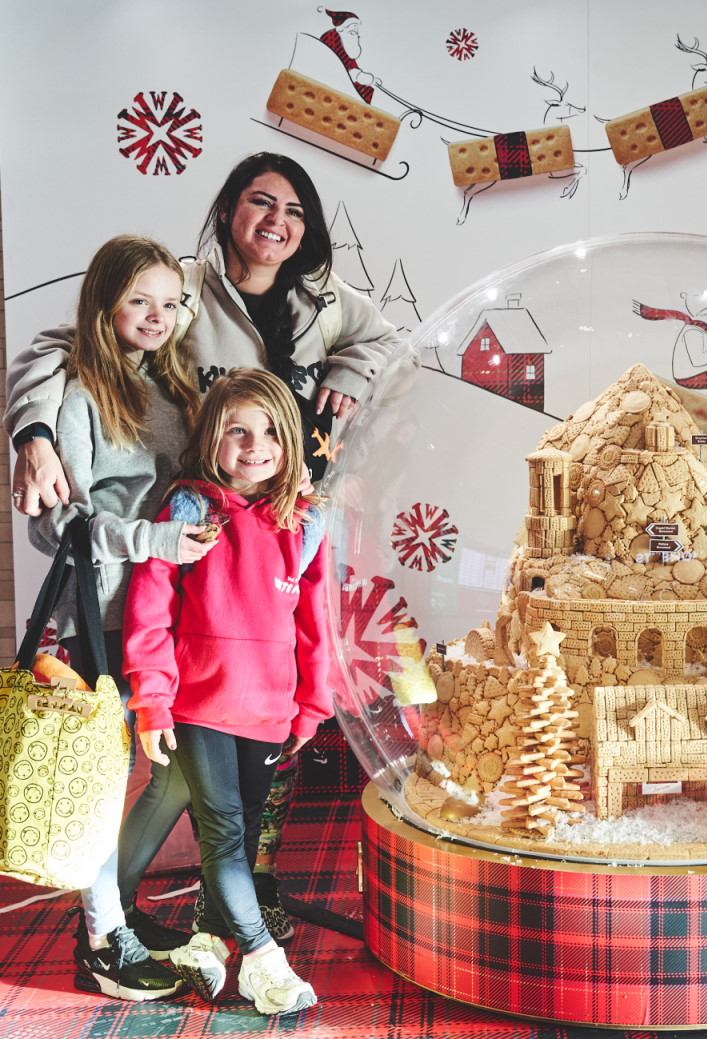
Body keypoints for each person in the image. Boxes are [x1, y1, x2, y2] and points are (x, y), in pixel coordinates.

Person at [8, 151, 407, 939]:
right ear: (227, 209)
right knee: (184, 748)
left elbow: (391, 343)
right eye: (260, 203)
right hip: (198, 527)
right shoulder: (183, 290)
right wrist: (34, 432)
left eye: (294, 211)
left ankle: (241, 882)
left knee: (265, 710)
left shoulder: (324, 300)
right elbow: (66, 344)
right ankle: (171, 900)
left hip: (281, 518)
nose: (276, 223)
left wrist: (352, 375)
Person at [30, 236, 212, 1000]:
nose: (157, 316)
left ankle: (120, 910)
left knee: (172, 768)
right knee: (106, 781)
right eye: (140, 300)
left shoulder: (174, 387)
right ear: (105, 304)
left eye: (170, 303)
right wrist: (155, 539)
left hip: (169, 607)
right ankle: (104, 938)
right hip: (100, 618)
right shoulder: (80, 393)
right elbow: (59, 527)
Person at [125, 369, 331, 1015]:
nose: (255, 444)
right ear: (212, 434)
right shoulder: (190, 507)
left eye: (270, 431)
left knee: (238, 839)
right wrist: (153, 699)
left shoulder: (305, 523)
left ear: (290, 441)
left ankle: (208, 943)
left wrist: (311, 704)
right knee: (223, 835)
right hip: (199, 705)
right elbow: (149, 608)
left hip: (270, 709)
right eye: (237, 429)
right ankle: (265, 962)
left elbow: (314, 622)